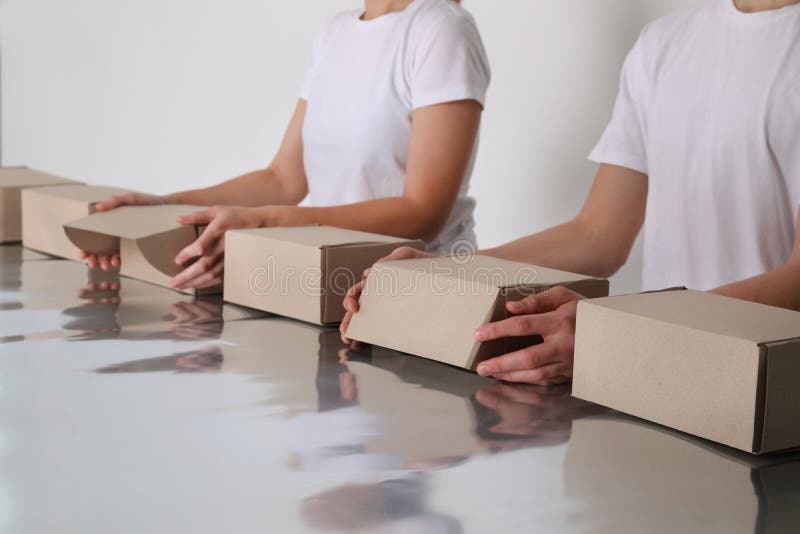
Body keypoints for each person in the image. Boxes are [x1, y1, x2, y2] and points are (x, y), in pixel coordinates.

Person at [342, 0, 800, 385]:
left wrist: (622, 335)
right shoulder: (664, 43)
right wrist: (446, 271)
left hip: (771, 391)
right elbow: (598, 234)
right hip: (658, 380)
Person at [81, 0, 490, 291]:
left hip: (421, 291)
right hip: (331, 281)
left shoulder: (441, 28)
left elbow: (423, 213)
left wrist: (264, 223)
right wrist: (167, 207)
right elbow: (282, 179)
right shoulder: (336, 32)